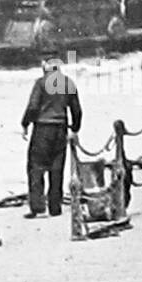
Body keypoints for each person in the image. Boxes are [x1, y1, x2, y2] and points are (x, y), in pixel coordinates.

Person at [20, 55, 83, 218]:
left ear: (45, 65)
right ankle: (55, 207)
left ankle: (37, 206)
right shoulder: (68, 83)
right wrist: (75, 129)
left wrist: (25, 123)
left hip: (42, 129)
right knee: (57, 168)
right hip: (61, 129)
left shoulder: (41, 83)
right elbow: (77, 110)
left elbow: (33, 107)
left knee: (36, 167)